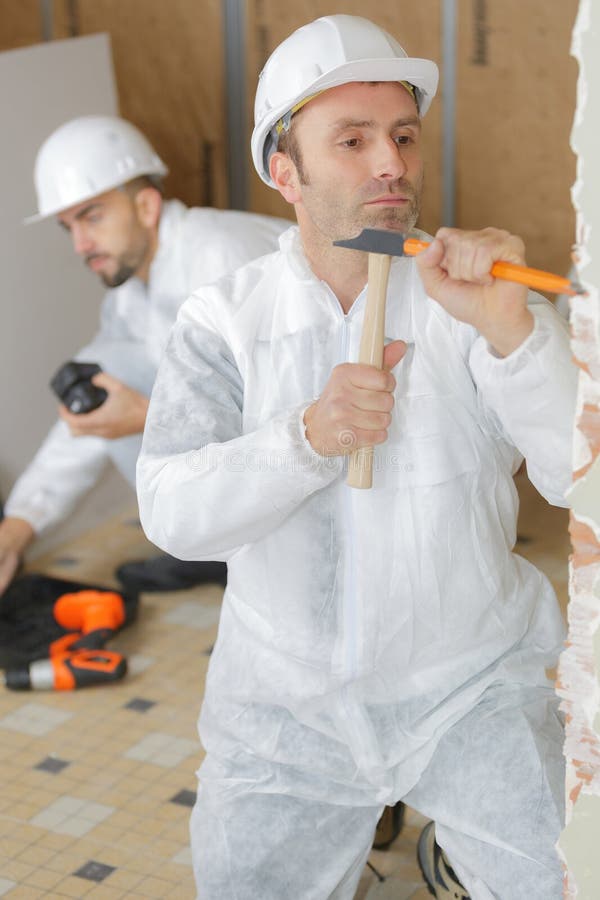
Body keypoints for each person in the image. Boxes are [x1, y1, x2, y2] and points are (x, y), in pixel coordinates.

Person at [137, 15, 576, 900]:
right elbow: (173, 513)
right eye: (354, 139)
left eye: (404, 136)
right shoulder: (226, 319)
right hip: (283, 710)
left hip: (472, 687)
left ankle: (457, 853)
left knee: (562, 884)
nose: (394, 165)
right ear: (283, 171)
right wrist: (306, 438)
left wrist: (511, 335)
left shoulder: (470, 297)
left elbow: (582, 475)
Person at [0, 115, 289, 596]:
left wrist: (150, 417)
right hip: (251, 475)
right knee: (96, 382)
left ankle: (253, 555)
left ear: (147, 206)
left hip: (342, 461)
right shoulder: (128, 299)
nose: (80, 245)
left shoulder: (222, 259)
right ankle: (208, 548)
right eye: (68, 226)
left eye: (92, 216)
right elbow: (88, 419)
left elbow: (292, 409)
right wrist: (18, 527)